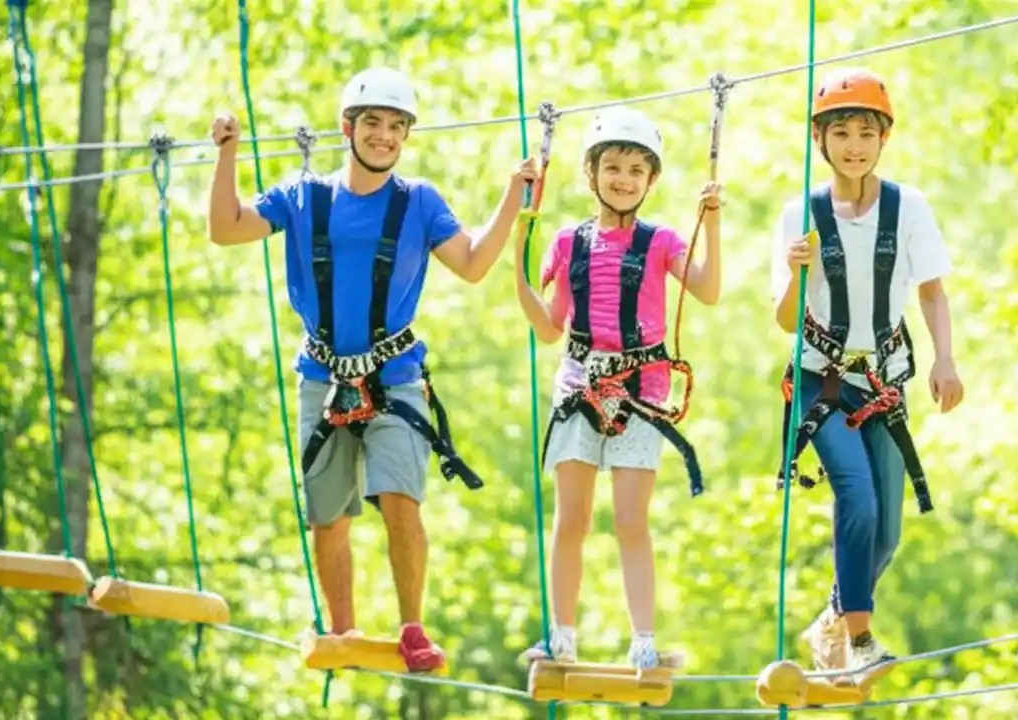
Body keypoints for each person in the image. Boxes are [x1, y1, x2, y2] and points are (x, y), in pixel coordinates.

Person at [206, 66, 537, 672]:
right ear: (347, 128)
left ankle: (413, 625)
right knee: (327, 512)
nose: (385, 136)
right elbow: (225, 229)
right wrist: (226, 153)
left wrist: (513, 198)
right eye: (374, 124)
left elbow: (470, 263)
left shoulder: (419, 202)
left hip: (396, 374)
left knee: (399, 498)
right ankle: (342, 628)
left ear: (406, 135)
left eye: (396, 127)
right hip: (323, 372)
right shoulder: (303, 197)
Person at [769, 67, 964, 673]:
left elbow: (931, 292)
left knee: (887, 532)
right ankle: (857, 642)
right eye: (841, 132)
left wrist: (945, 358)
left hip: (883, 382)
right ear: (818, 139)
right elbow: (784, 319)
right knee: (856, 497)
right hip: (822, 382)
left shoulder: (909, 207)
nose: (853, 145)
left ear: (884, 138)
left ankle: (834, 616)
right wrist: (798, 271)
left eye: (865, 132)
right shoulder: (800, 212)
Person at [513, 106, 722, 669]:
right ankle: (560, 635)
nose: (623, 179)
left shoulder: (660, 242)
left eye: (636, 170)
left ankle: (644, 641)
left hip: (641, 393)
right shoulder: (567, 243)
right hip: (580, 386)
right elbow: (549, 325)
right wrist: (519, 256)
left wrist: (714, 222)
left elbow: (705, 290)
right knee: (572, 519)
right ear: (591, 174)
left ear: (651, 181)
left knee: (630, 519)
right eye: (612, 168)